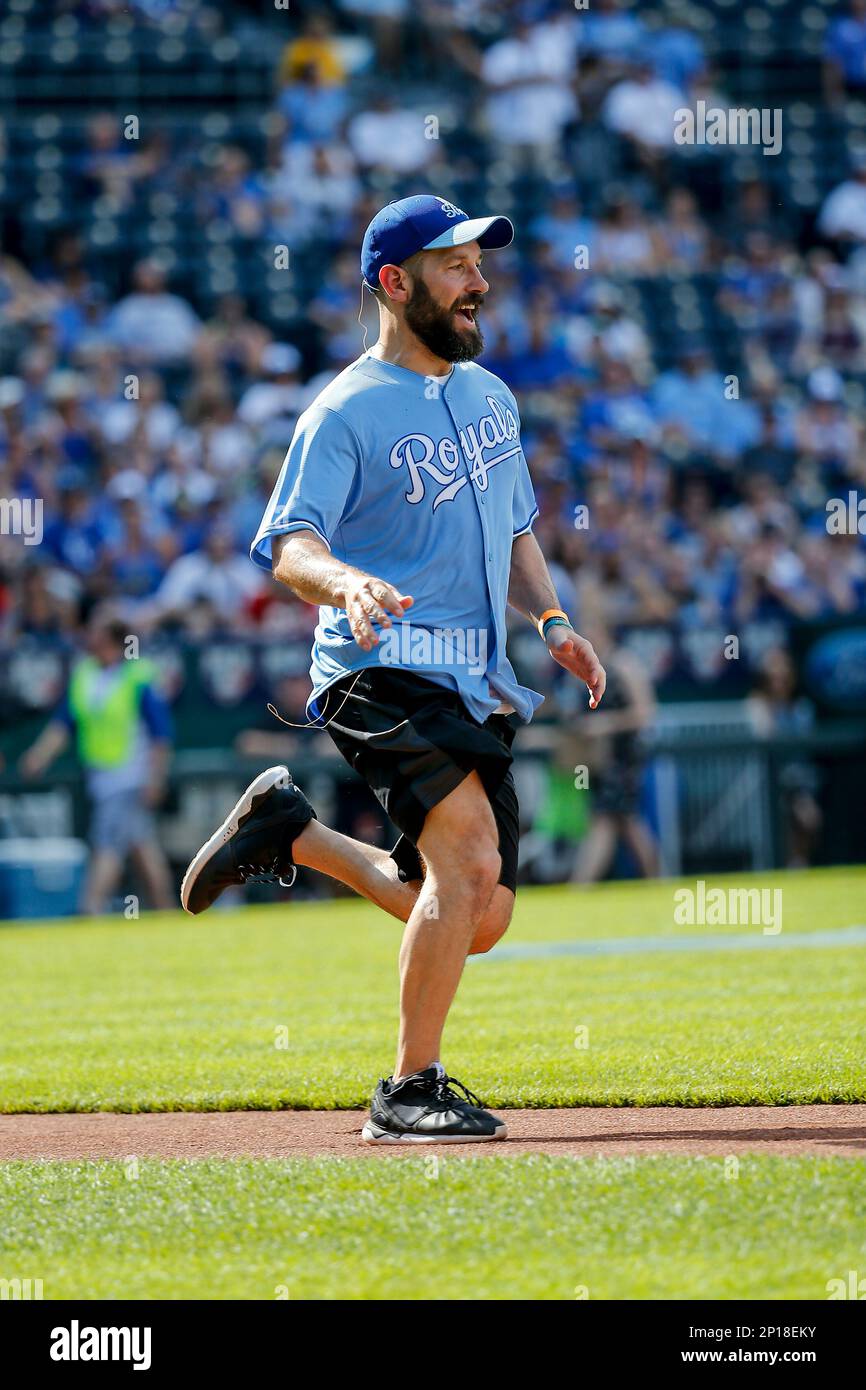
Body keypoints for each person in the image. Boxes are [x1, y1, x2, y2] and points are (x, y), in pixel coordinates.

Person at [181, 194, 606, 1144]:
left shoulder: (490, 394)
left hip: (473, 678)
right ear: (394, 281)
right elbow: (289, 547)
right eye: (455, 266)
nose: (479, 282)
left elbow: (516, 525)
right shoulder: (342, 412)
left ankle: (296, 834)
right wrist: (347, 584)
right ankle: (410, 1089)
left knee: (480, 911)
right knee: (467, 860)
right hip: (378, 664)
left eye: (477, 265)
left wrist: (552, 617)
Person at [19, 607, 173, 915]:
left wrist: (155, 779)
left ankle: (90, 910)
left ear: (115, 642)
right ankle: (168, 909)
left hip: (129, 778)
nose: (91, 641)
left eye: (99, 636)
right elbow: (64, 723)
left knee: (107, 845)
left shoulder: (139, 676)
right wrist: (39, 756)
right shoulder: (85, 675)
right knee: (142, 846)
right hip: (101, 777)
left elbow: (161, 737)